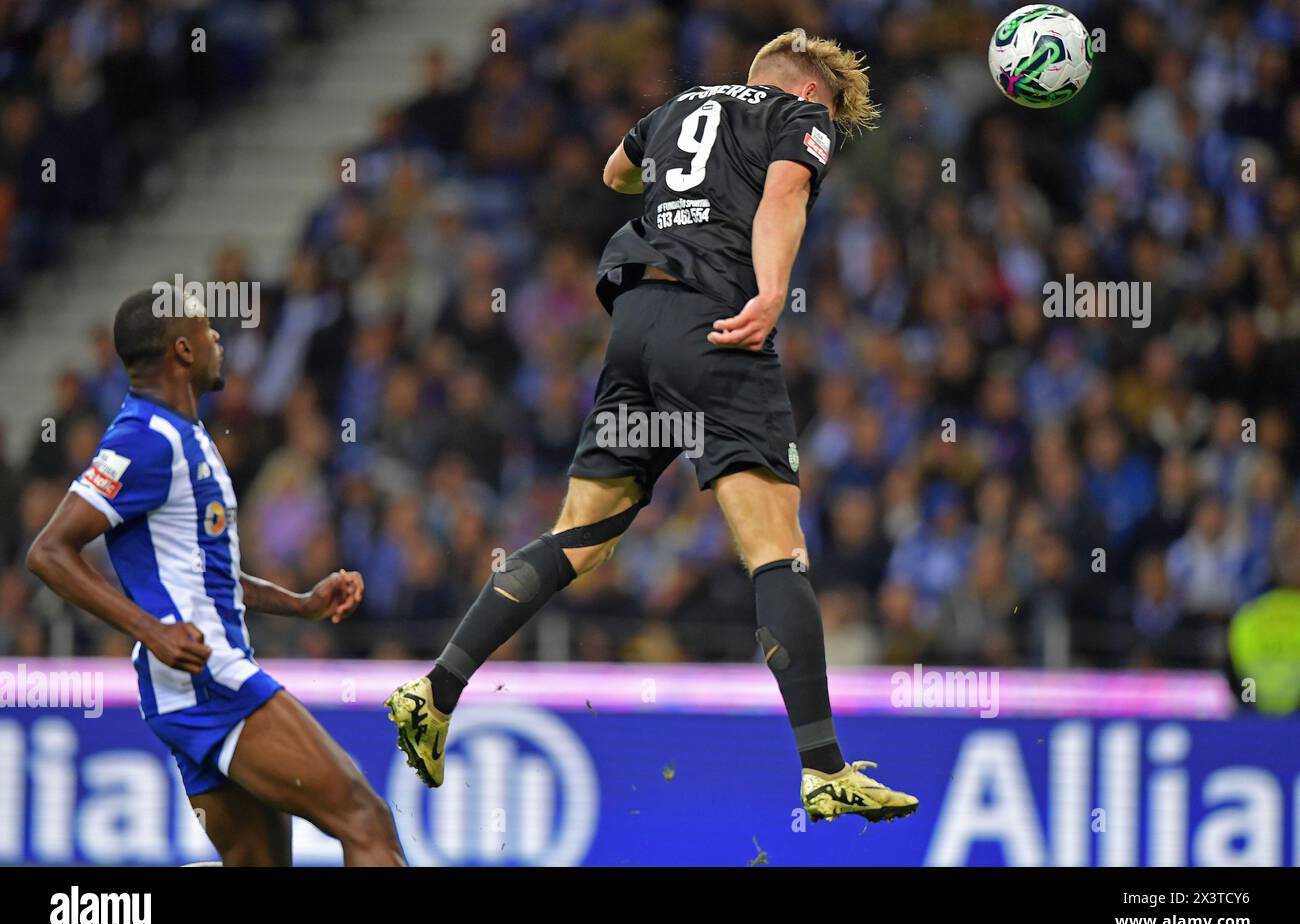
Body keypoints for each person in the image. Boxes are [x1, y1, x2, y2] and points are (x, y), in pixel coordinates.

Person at [388, 31, 918, 824]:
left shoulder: (674, 109)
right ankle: (824, 768)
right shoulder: (796, 118)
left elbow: (614, 172)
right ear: (808, 92)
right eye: (833, 119)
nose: (830, 139)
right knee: (776, 546)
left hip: (635, 328)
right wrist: (772, 293)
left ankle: (434, 691)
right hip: (717, 326)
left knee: (581, 535)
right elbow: (784, 197)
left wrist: (674, 187)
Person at [27, 288, 406, 865]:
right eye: (208, 330)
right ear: (182, 349)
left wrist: (299, 603)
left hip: (192, 677)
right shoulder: (144, 439)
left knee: (258, 862)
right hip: (206, 677)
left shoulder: (183, 436)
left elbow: (208, 576)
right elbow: (49, 551)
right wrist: (152, 631)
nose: (218, 340)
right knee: (364, 818)